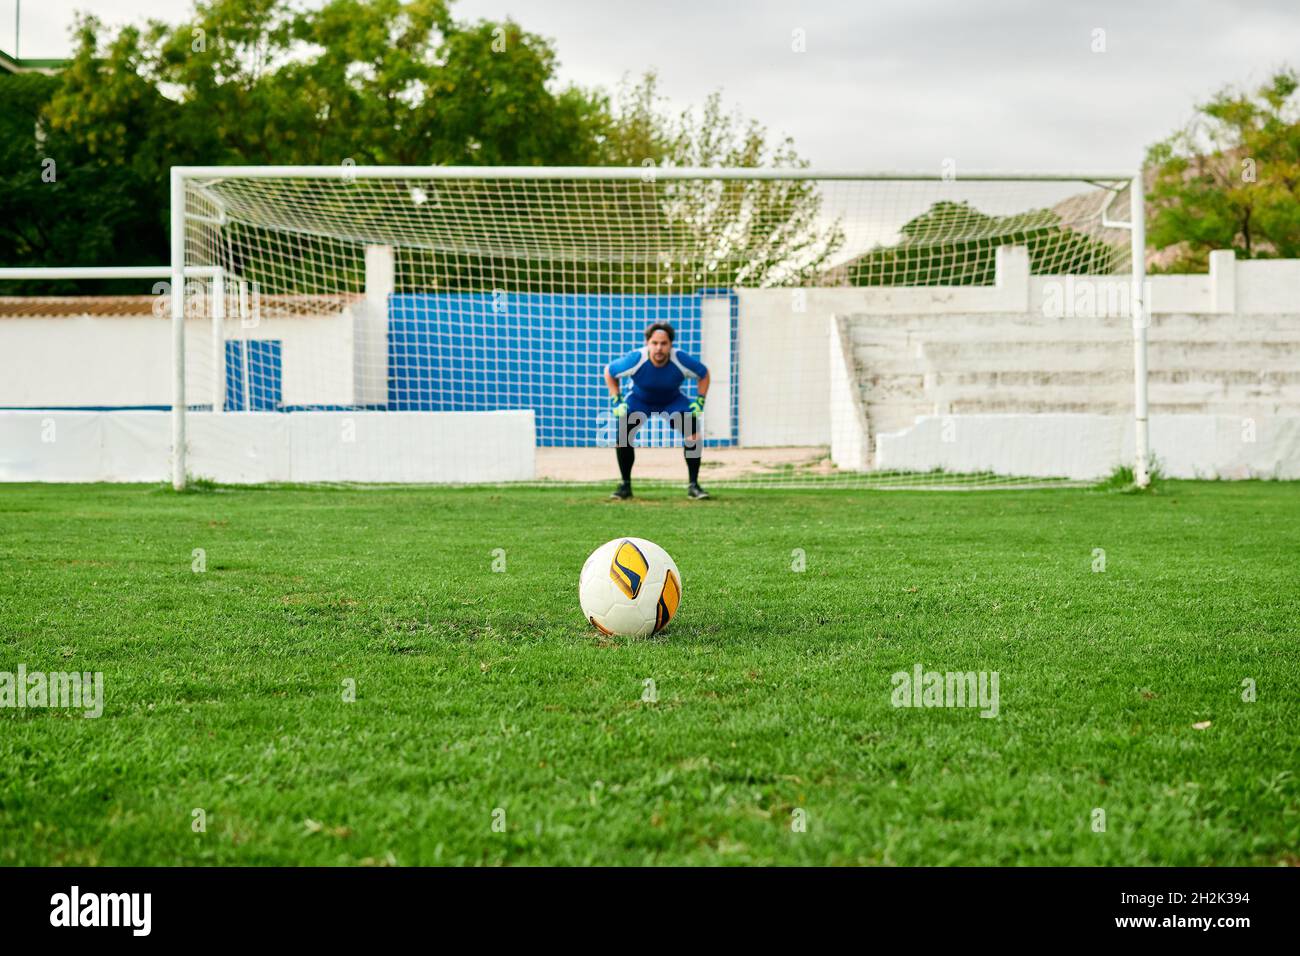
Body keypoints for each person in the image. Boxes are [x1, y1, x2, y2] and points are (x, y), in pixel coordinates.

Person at [603, 322, 710, 500]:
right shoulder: (636, 358)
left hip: (672, 401)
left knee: (693, 434)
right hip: (640, 400)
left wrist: (700, 401)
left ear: (670, 345)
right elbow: (609, 372)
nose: (659, 348)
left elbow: (704, 374)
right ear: (647, 343)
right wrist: (617, 400)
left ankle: (694, 486)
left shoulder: (680, 359)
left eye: (663, 343)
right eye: (654, 343)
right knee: (622, 436)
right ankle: (625, 487)